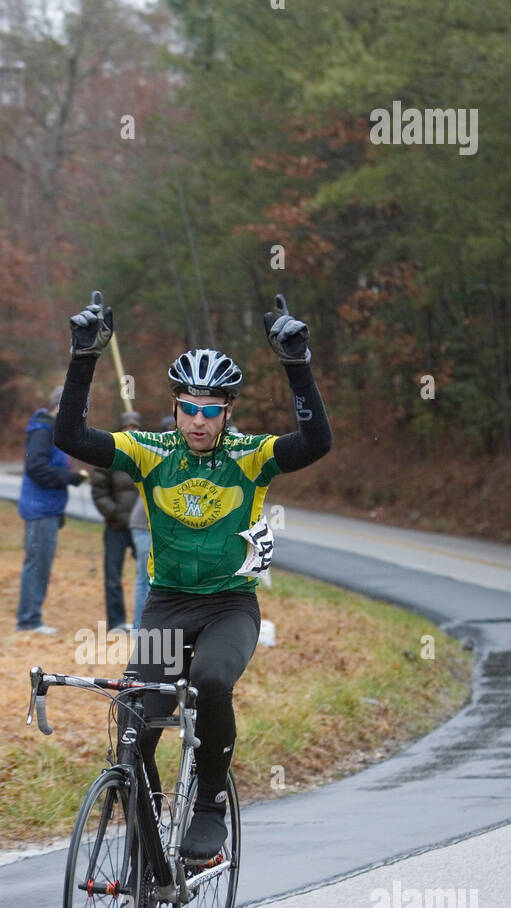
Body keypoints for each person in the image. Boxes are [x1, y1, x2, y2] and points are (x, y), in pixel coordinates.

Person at [55, 290, 332, 862]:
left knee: (209, 681)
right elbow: (72, 439)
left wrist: (297, 367)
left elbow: (316, 442)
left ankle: (208, 806)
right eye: (190, 408)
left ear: (227, 412)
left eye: (211, 410)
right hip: (167, 607)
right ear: (176, 408)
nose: (199, 421)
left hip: (229, 608)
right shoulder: (152, 451)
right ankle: (149, 842)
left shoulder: (252, 455)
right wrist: (84, 359)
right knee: (132, 731)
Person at [16, 385, 87, 634]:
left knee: (42, 564)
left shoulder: (54, 430)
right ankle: (28, 621)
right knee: (37, 564)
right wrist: (69, 477)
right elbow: (35, 468)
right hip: (39, 508)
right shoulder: (42, 431)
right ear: (61, 405)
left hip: (49, 508)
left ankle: (31, 618)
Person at [89, 409, 139, 633]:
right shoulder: (109, 455)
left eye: (134, 427)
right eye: (127, 427)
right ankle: (116, 623)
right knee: (112, 577)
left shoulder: (146, 454)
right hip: (116, 527)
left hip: (142, 528)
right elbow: (99, 492)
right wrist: (115, 513)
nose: (131, 430)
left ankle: (145, 622)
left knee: (149, 578)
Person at [129, 413, 172, 631]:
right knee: (146, 581)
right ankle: (140, 630)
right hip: (144, 527)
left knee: (151, 581)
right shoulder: (161, 456)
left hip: (151, 528)